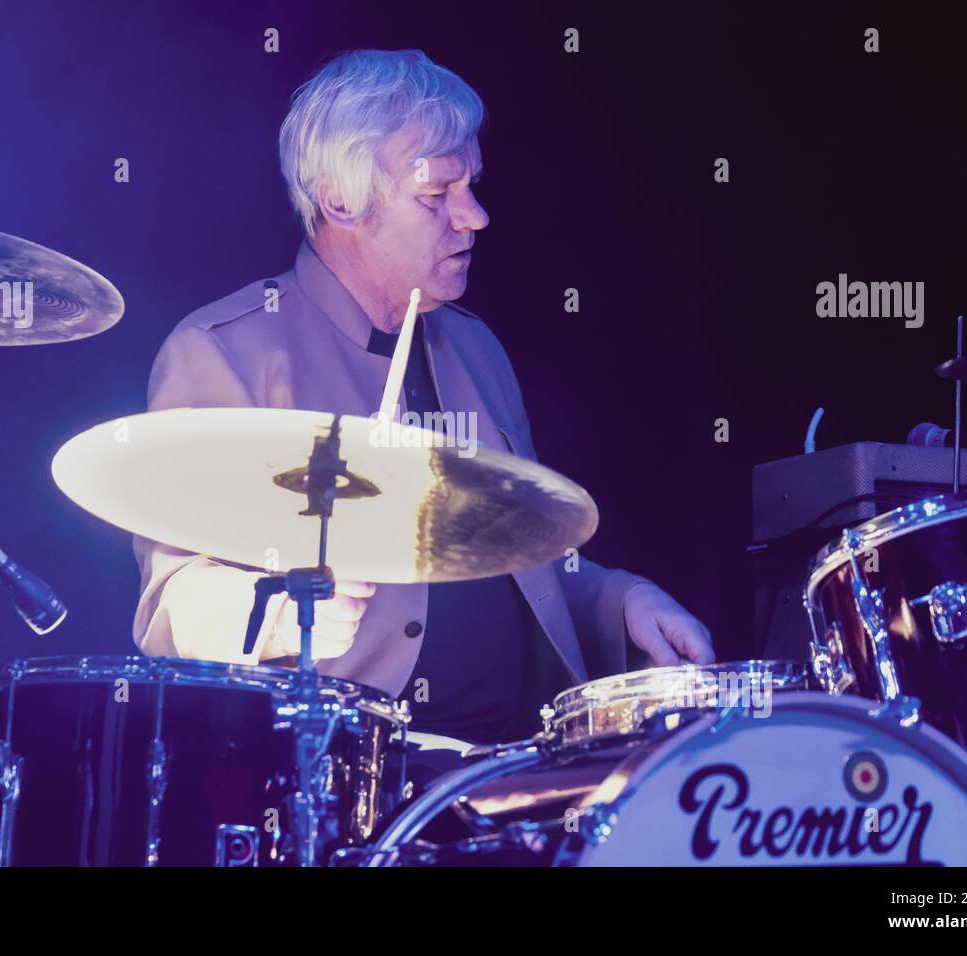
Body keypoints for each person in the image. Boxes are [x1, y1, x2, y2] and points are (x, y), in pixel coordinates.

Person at [133, 49, 713, 745]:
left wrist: (620, 600)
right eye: (437, 195)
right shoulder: (223, 351)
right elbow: (172, 604)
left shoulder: (476, 348)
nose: (475, 217)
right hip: (353, 779)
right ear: (340, 200)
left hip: (519, 763)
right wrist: (288, 608)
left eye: (471, 187)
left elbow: (523, 557)